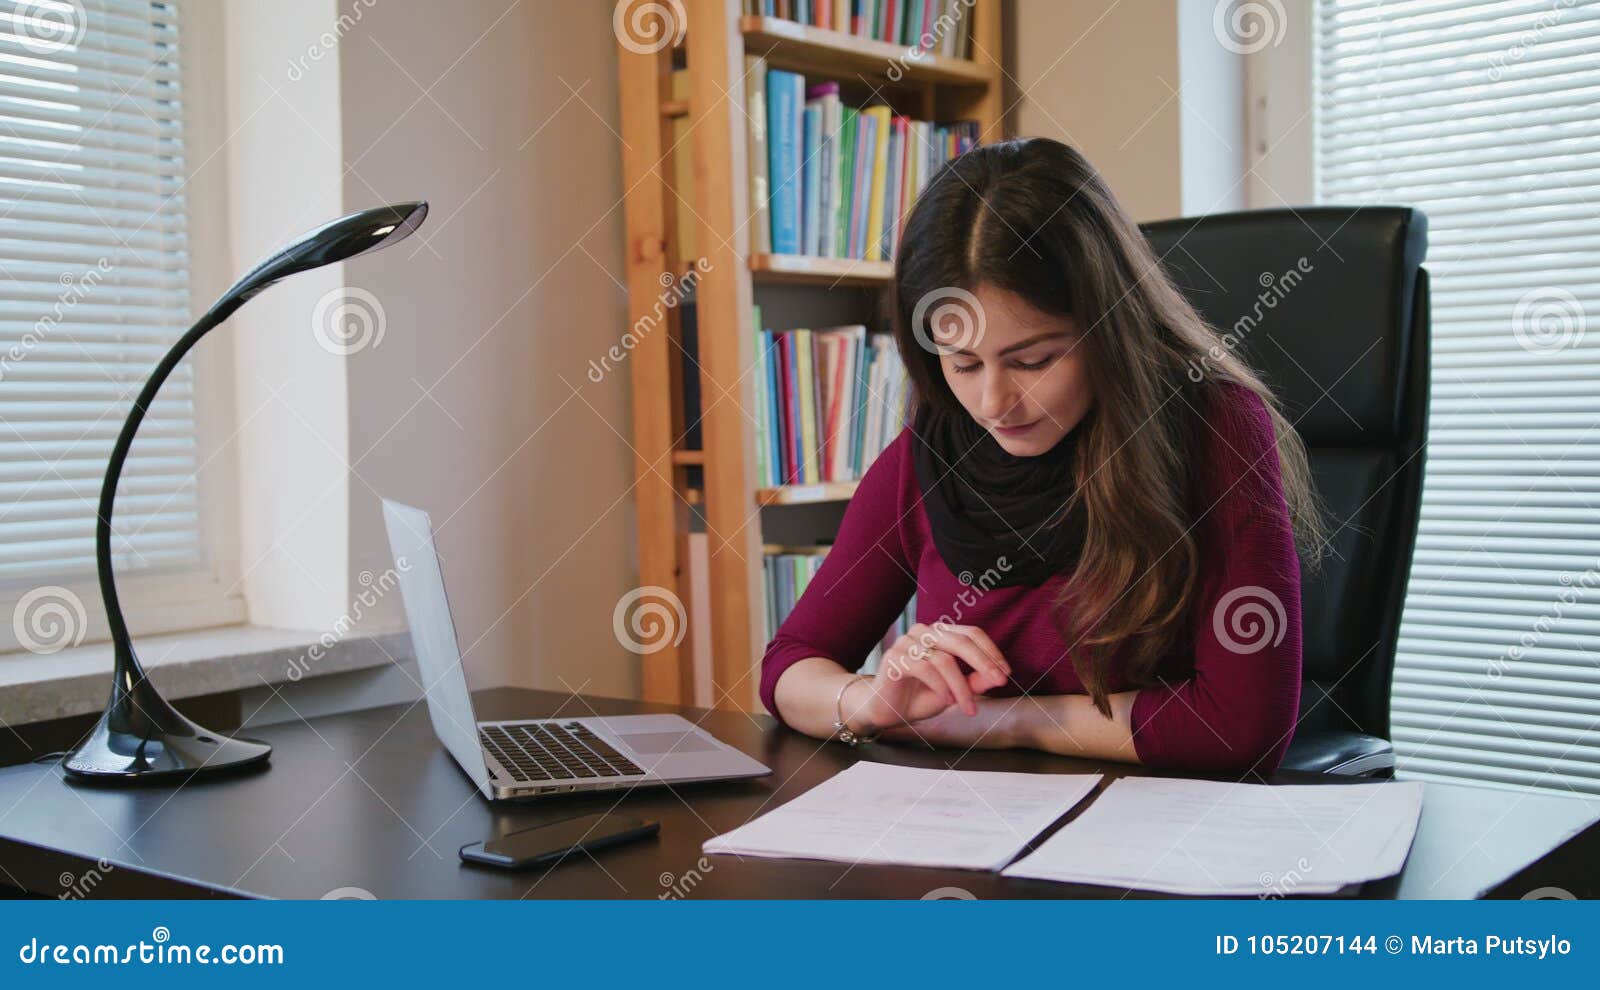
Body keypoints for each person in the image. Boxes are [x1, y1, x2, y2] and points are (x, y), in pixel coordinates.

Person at [759, 136, 1324, 775]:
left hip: (1158, 837)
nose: (994, 402)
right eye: (963, 363)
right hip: (979, 834)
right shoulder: (936, 447)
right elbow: (790, 664)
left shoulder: (1213, 428)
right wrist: (869, 703)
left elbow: (1240, 730)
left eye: (1033, 360)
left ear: (1109, 325)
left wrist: (1005, 723)